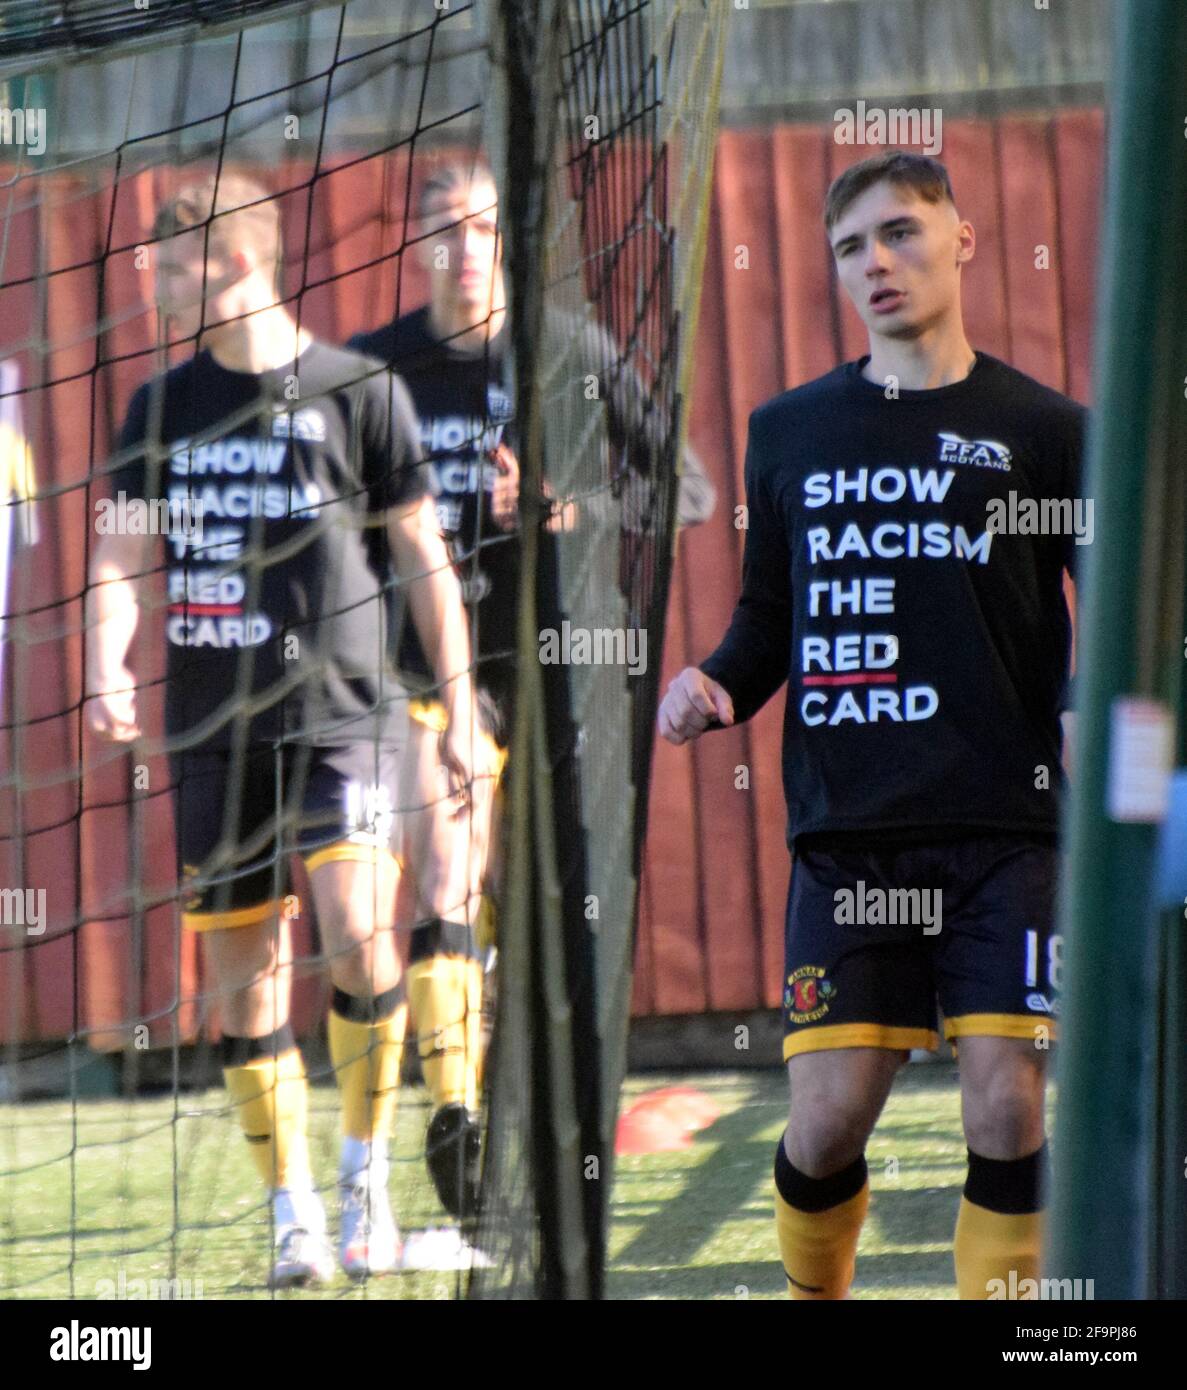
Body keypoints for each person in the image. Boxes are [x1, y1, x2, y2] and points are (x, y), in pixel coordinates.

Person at [657, 150, 1084, 1300]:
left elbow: (1111, 594)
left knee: (1004, 1101)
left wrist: (1088, 706)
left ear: (963, 240)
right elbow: (765, 616)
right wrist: (714, 685)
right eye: (851, 247)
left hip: (1006, 826)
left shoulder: (1042, 429)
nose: (876, 263)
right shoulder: (788, 429)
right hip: (849, 835)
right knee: (829, 1120)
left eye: (900, 232)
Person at [86, 172, 481, 1286]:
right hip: (211, 727)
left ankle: (366, 1189)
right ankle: (292, 1211)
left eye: (165, 267)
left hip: (343, 716)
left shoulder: (359, 388)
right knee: (245, 983)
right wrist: (106, 652)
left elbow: (423, 558)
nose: (148, 285)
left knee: (360, 933)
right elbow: (118, 552)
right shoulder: (157, 407)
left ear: (229, 264)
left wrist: (450, 702)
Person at [350, 158, 717, 1237]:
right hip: (425, 667)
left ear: (505, 237)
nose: (462, 249)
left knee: (539, 915)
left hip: (552, 659)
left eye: (479, 227)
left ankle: (529, 1109)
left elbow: (685, 486)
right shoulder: (378, 369)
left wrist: (571, 505)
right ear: (417, 243)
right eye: (442, 229)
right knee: (447, 873)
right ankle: (455, 1116)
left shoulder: (570, 348)